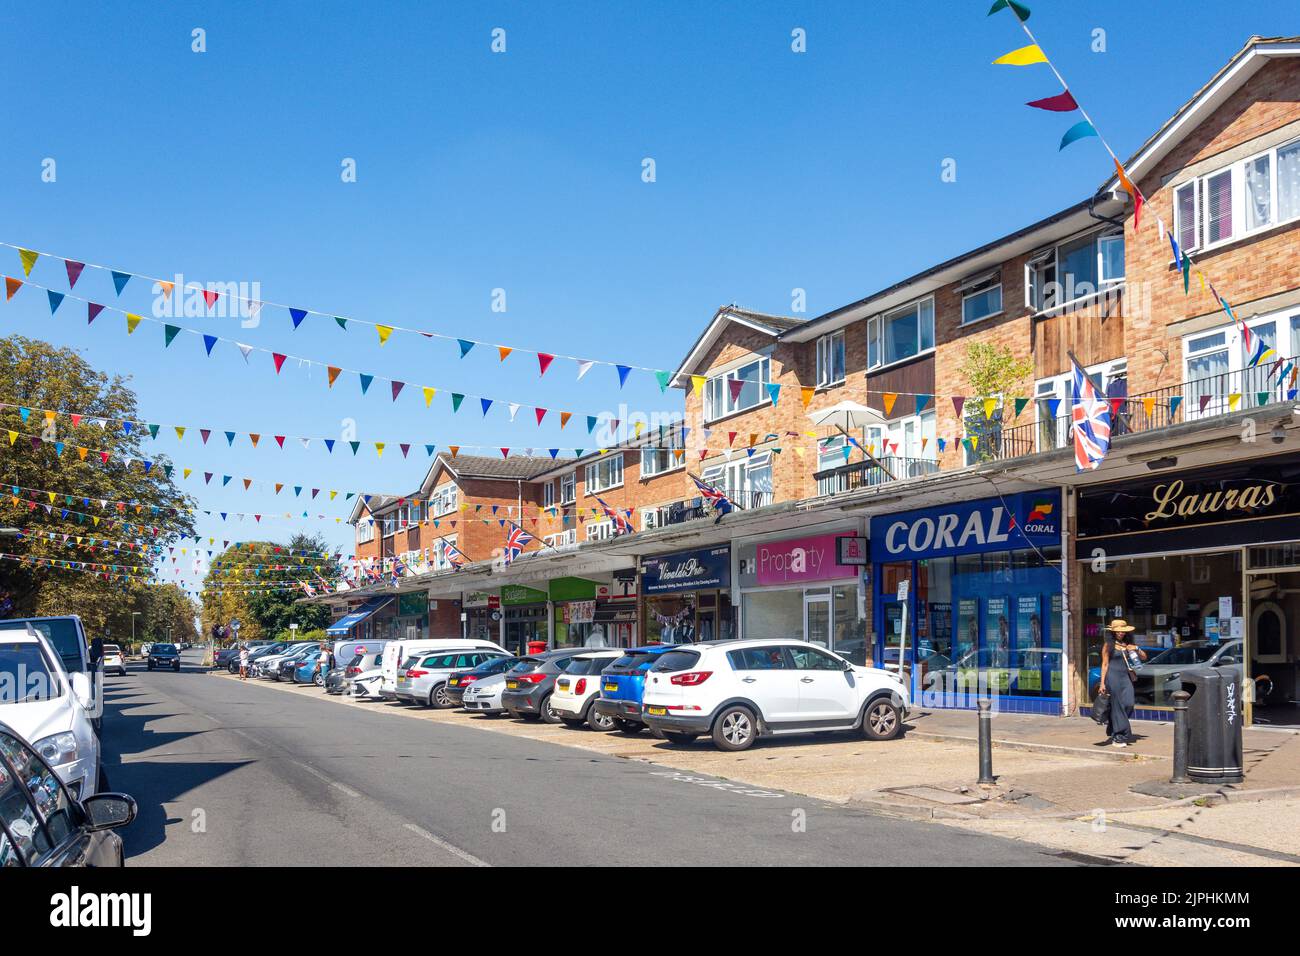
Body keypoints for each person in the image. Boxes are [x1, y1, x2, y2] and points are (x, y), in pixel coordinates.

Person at [1098, 619, 1147, 747]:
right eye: (1118, 631)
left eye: (1123, 631)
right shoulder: (1108, 645)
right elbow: (1104, 664)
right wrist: (1102, 683)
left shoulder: (1128, 644)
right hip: (1112, 676)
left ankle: (1114, 726)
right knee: (1118, 706)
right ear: (1113, 632)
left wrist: (1136, 648)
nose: (1120, 633)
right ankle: (1119, 736)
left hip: (1125, 676)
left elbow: (1144, 657)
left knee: (1129, 703)